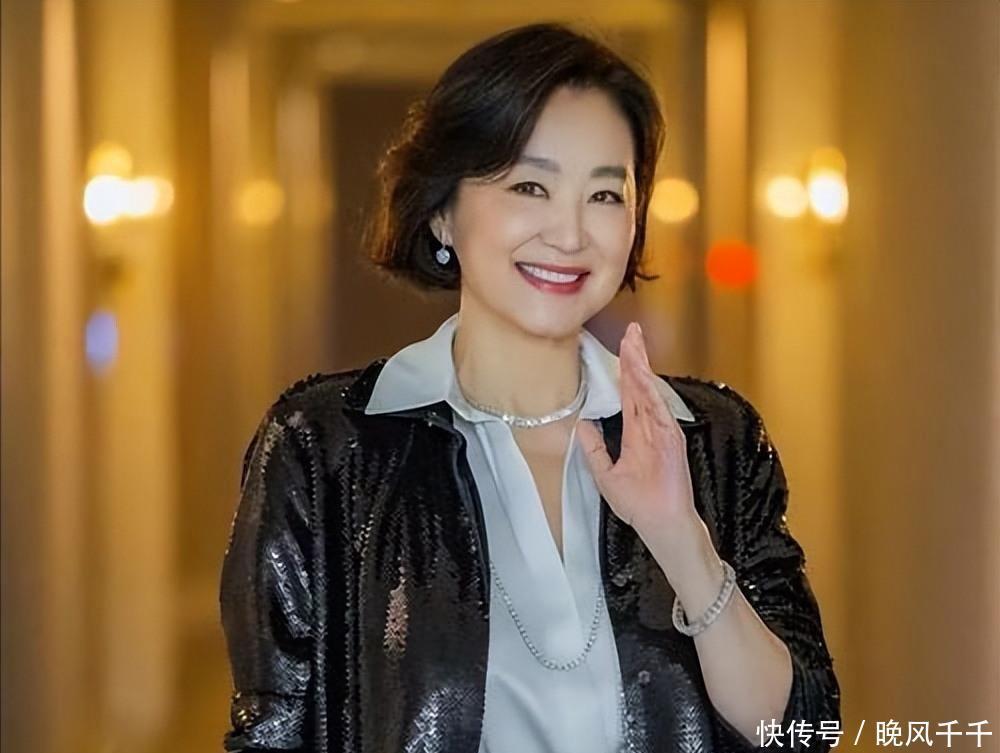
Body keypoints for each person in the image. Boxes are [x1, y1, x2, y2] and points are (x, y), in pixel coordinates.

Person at [219, 22, 841, 753]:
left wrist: (682, 540)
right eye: (529, 186)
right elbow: (272, 734)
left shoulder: (713, 439)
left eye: (604, 194)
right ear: (443, 211)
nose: (570, 235)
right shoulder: (326, 450)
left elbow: (801, 731)